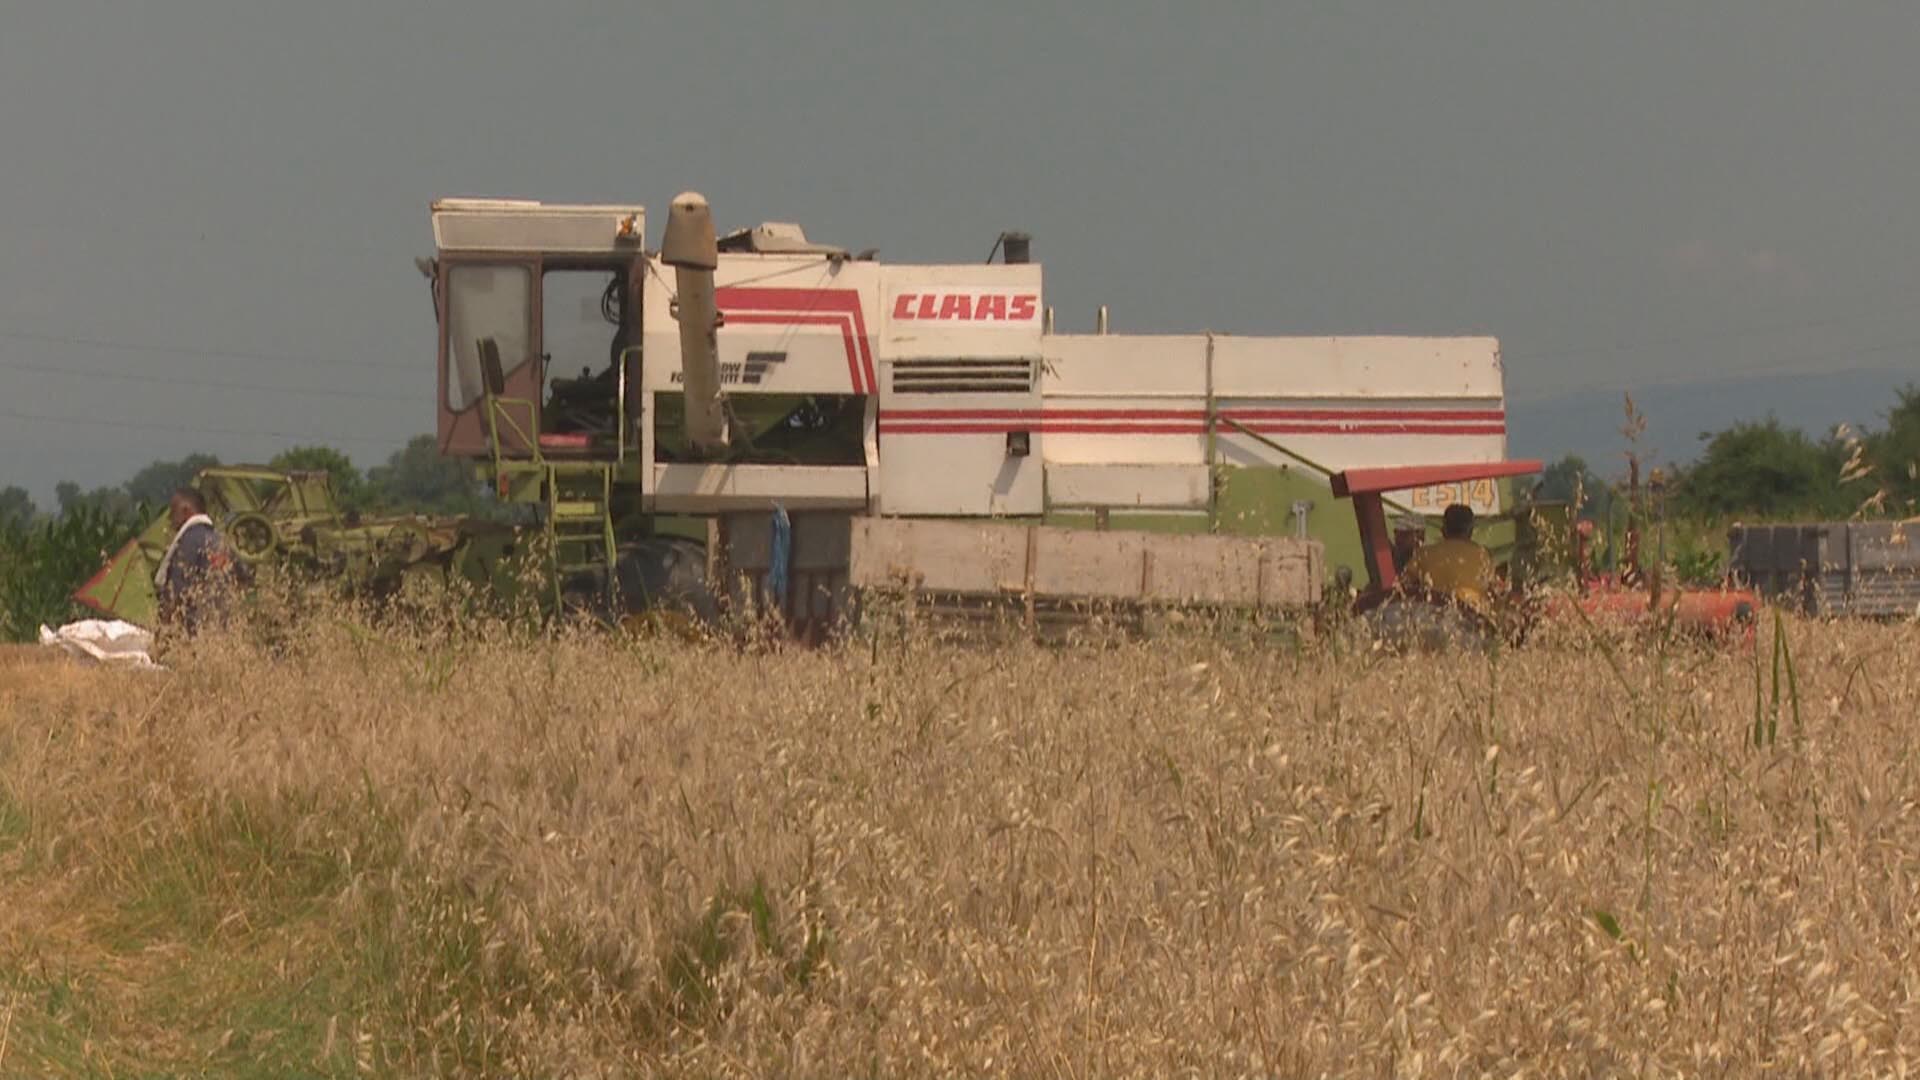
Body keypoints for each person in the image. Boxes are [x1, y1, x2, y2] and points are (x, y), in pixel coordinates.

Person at [153, 486, 240, 635]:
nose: (170, 518)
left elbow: (176, 590)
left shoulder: (189, 541)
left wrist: (161, 631)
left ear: (186, 511)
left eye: (173, 511)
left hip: (196, 630)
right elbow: (243, 577)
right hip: (224, 629)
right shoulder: (219, 539)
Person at [1401, 503, 1496, 615]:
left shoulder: (1424, 554)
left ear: (1443, 529)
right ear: (1471, 531)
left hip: (1434, 618)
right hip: (1474, 617)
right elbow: (1494, 591)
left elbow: (1402, 587)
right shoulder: (1483, 555)